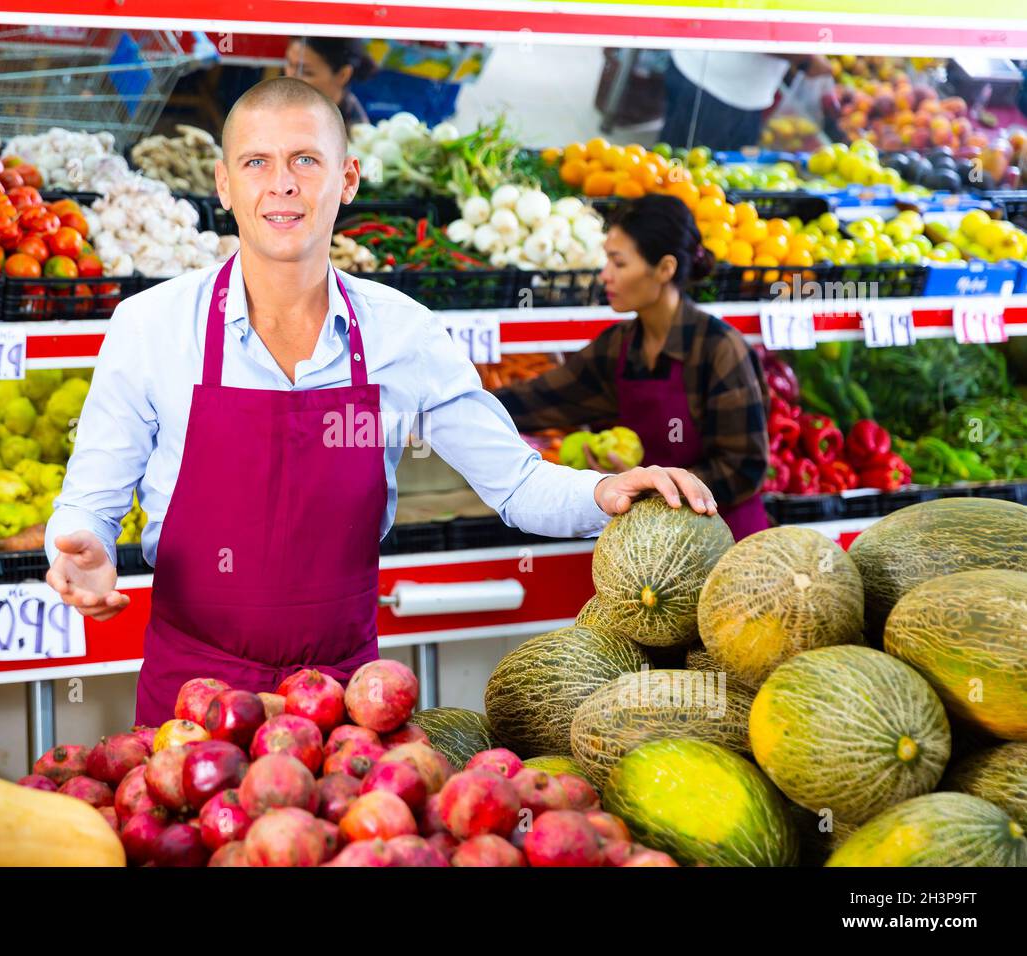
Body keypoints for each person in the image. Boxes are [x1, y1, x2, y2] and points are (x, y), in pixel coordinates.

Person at [45, 78, 719, 725]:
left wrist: (603, 492)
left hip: (348, 705)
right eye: (256, 162)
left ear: (348, 179)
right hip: (193, 698)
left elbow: (515, 484)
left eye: (306, 160)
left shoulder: (405, 333)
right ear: (224, 183)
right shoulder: (152, 327)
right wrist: (85, 551)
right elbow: (88, 505)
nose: (281, 183)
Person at [493, 194, 769, 541]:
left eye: (618, 263)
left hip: (728, 543)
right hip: (653, 542)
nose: (605, 275)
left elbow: (744, 467)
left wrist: (652, 486)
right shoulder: (619, 346)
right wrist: (456, 412)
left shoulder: (719, 350)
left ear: (665, 268)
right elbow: (542, 399)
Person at [660, 51, 831, 151]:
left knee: (682, 165)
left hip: (720, 80)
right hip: (719, 88)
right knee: (685, 173)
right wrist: (804, 59)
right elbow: (759, 22)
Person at [284, 37, 375, 130]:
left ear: (343, 75)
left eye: (306, 72)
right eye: (289, 64)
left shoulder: (356, 134)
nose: (291, 79)